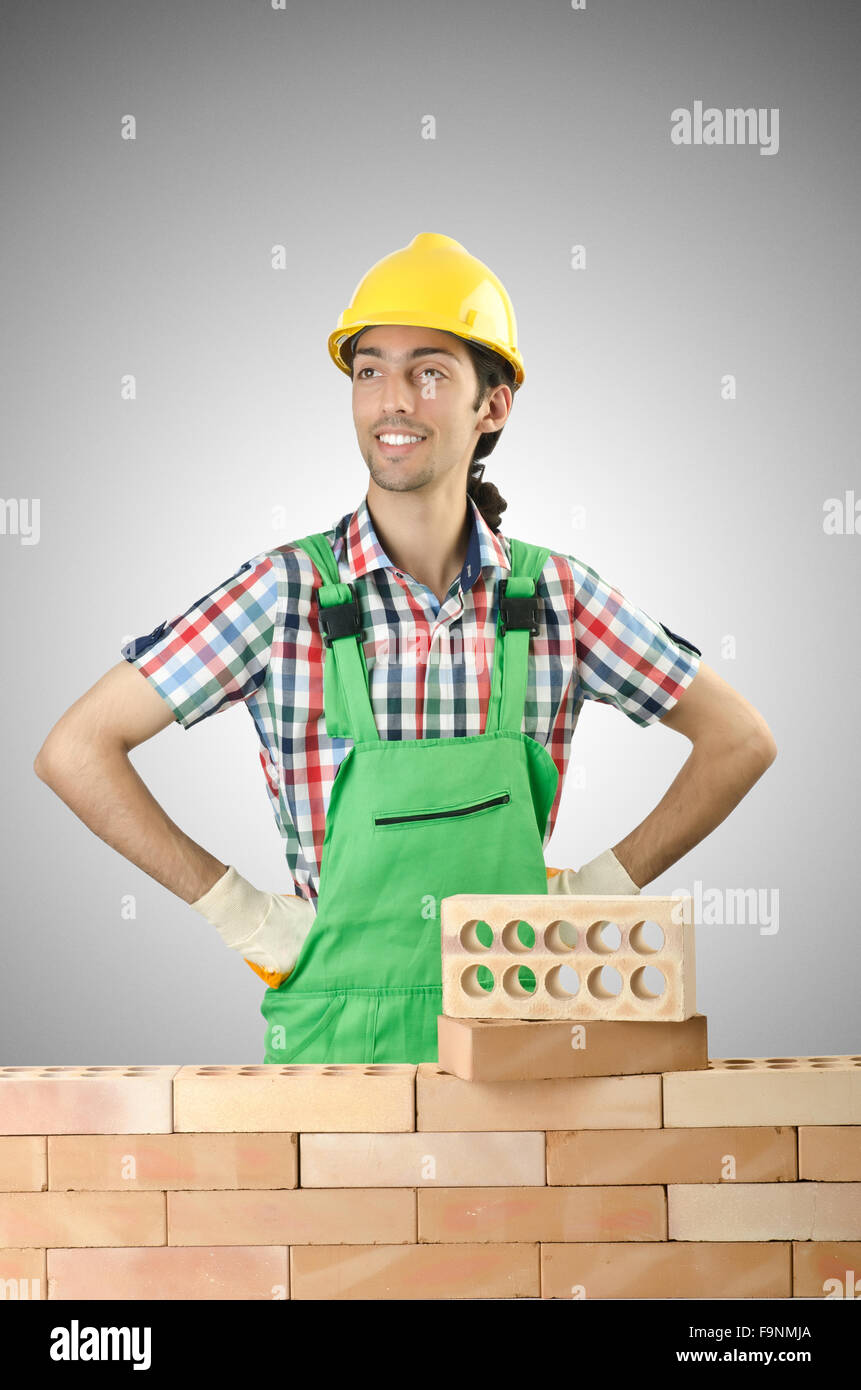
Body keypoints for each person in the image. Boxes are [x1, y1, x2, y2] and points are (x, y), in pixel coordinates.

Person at [33, 233, 777, 1064]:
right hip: (334, 1044)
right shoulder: (286, 595)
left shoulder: (555, 598)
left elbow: (739, 741)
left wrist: (592, 894)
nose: (393, 401)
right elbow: (76, 750)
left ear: (490, 407)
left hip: (517, 1031)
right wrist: (244, 915)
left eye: (429, 373)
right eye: (369, 371)